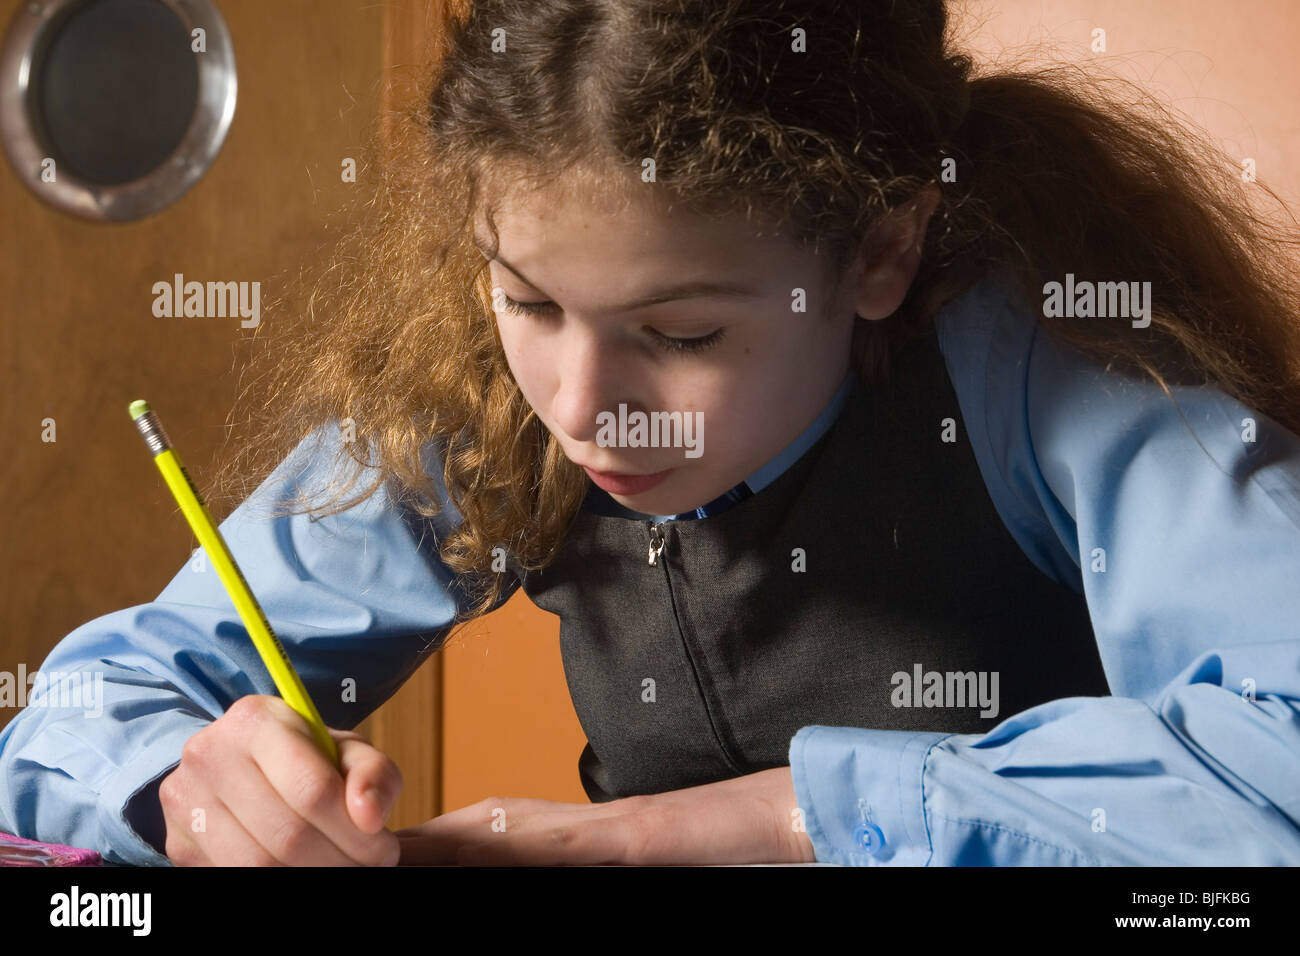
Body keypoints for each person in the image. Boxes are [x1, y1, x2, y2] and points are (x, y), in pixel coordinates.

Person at [3, 0, 1300, 866]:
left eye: (680, 333)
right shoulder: (481, 393)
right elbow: (70, 710)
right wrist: (190, 790)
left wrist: (689, 833)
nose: (579, 407)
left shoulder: (1047, 354)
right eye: (528, 300)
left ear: (885, 248)